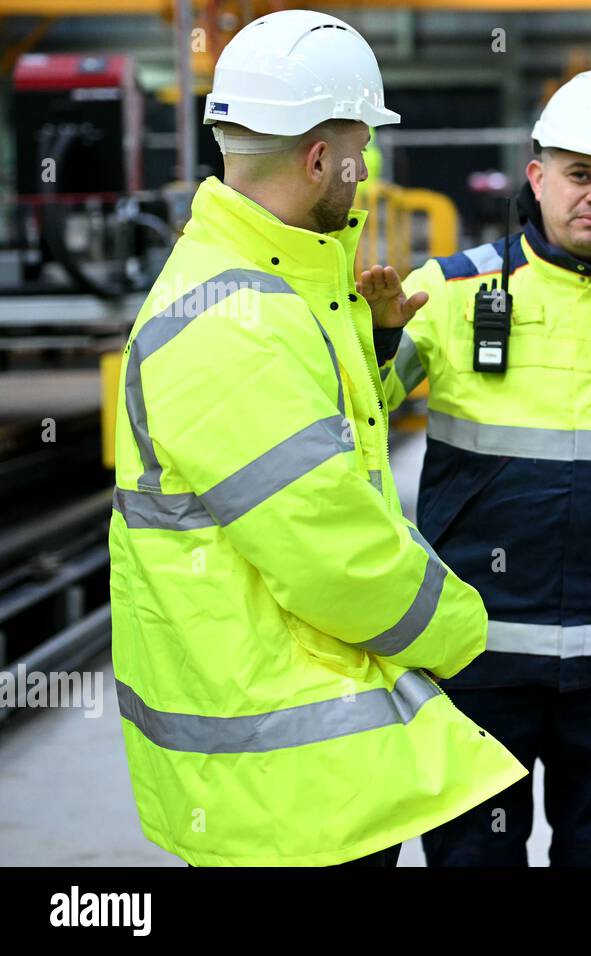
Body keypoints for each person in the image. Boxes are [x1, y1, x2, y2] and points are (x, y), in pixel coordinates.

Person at [108, 8, 525, 868]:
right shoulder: (234, 320)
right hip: (280, 776)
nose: (365, 171)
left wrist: (373, 346)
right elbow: (328, 547)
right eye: (360, 148)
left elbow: (326, 449)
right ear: (317, 158)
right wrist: (459, 631)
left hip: (299, 753)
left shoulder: (284, 282)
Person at [365, 70, 591, 866]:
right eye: (579, 174)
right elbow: (361, 408)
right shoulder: (449, 294)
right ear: (538, 176)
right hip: (476, 656)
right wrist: (379, 338)